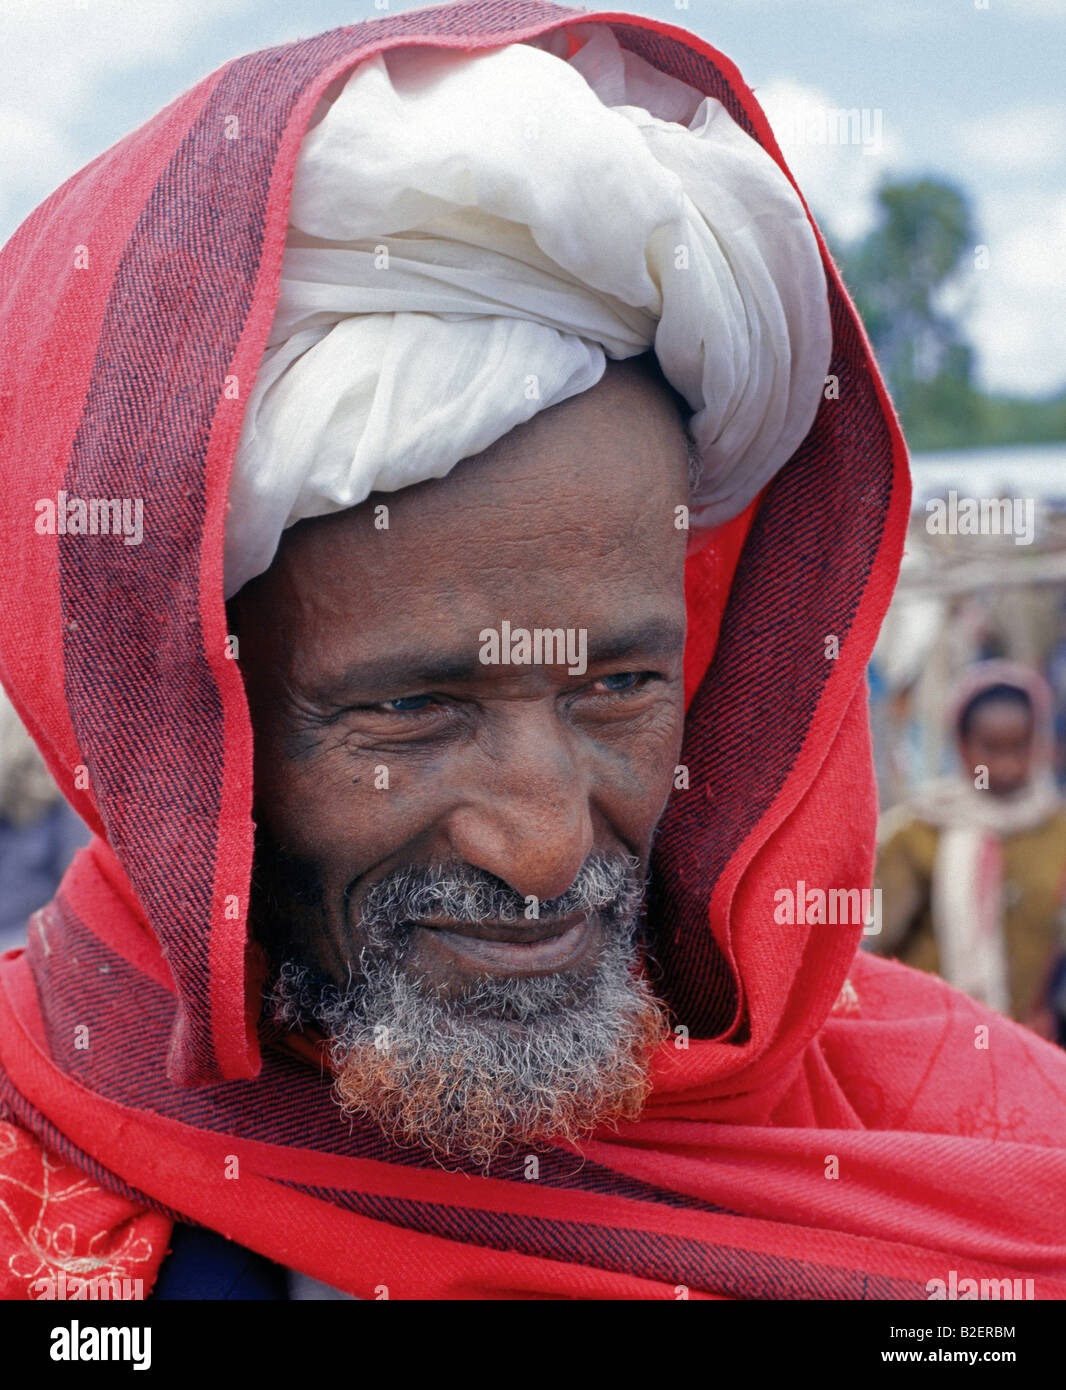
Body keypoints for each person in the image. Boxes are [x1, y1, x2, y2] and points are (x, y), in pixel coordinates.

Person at [1, 1, 1064, 1302]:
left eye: (617, 686)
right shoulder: (43, 1189)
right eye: (411, 708)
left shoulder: (963, 1137)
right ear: (181, 737)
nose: (547, 845)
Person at [874, 661, 1066, 1027]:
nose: (1006, 764)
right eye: (990, 749)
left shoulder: (1057, 832)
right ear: (962, 746)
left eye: (1019, 746)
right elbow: (877, 932)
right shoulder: (920, 830)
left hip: (1031, 1037)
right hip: (929, 1030)